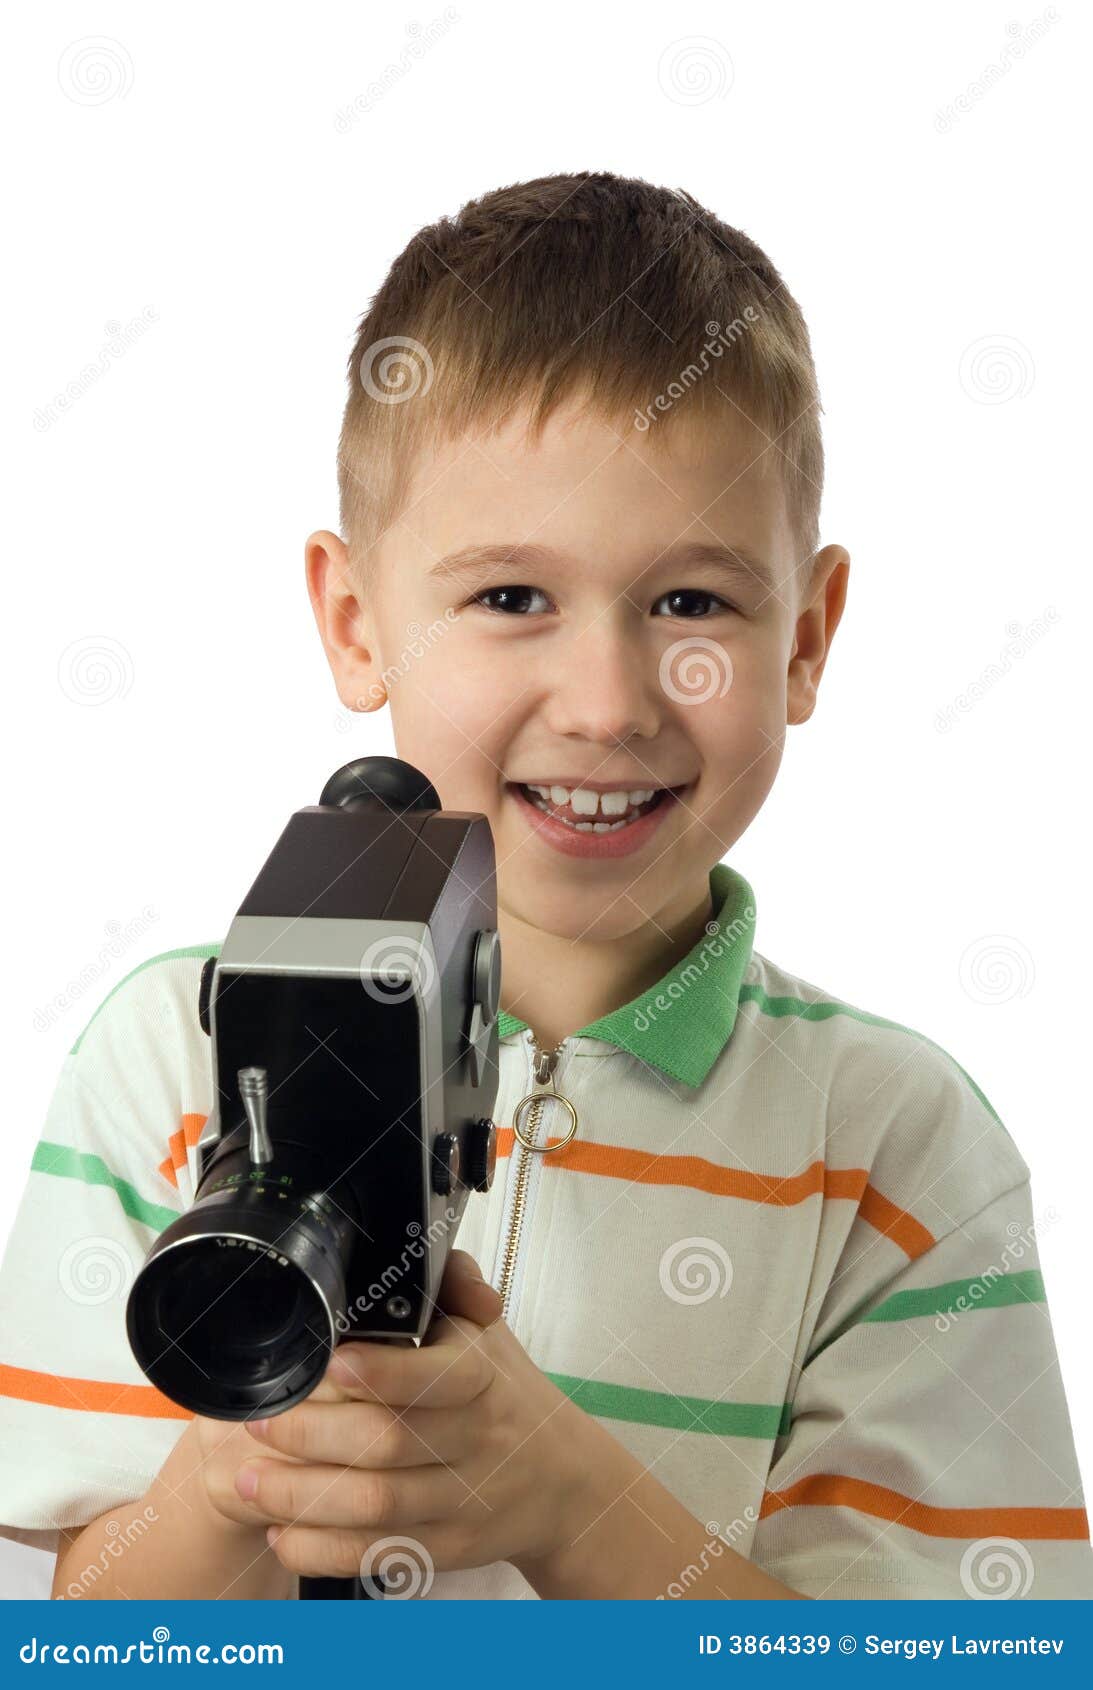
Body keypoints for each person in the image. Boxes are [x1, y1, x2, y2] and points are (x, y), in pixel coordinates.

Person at [2, 171, 1090, 1601]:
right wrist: (237, 1472)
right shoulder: (177, 1051)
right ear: (354, 621)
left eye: (689, 601)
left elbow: (939, 1660)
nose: (603, 701)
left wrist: (569, 1504)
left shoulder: (892, 1151)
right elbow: (73, 1631)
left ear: (806, 637)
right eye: (511, 597)